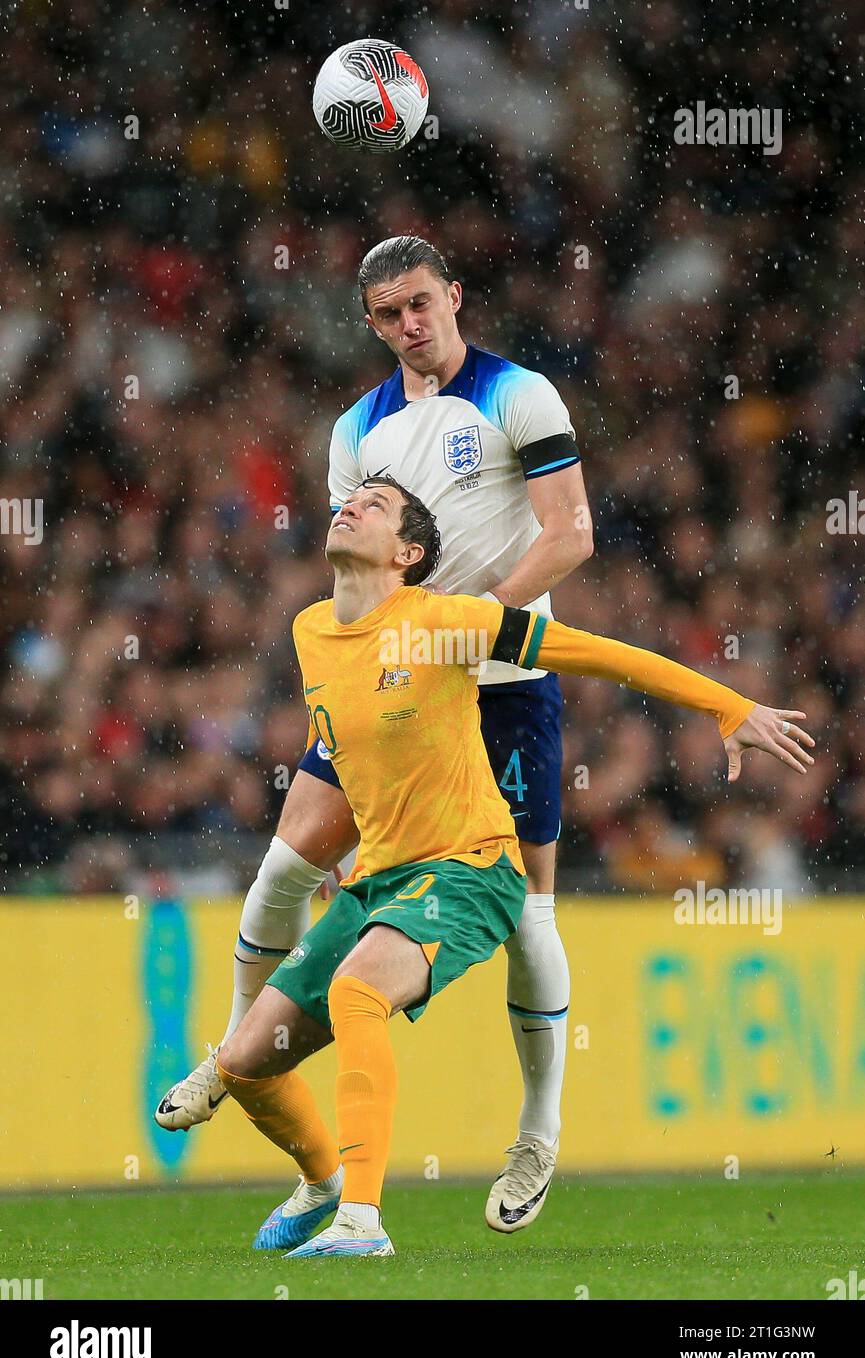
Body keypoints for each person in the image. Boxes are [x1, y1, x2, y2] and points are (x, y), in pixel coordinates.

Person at [215, 476, 813, 1259]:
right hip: (379, 882)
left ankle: (362, 1222)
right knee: (245, 1065)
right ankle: (324, 1178)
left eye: (376, 504)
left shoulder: (444, 622)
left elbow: (597, 655)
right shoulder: (308, 631)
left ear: (409, 553)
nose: (350, 503)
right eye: (350, 495)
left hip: (472, 869)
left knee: (356, 993)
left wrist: (727, 707)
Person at [158, 233, 596, 1233]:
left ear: (455, 296)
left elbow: (569, 532)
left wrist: (470, 629)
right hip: (389, 692)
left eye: (423, 302)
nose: (411, 322)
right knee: (280, 868)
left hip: (501, 683)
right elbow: (358, 563)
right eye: (391, 311)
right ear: (370, 323)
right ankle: (233, 1051)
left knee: (531, 914)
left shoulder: (517, 393)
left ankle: (539, 1128)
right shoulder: (355, 428)